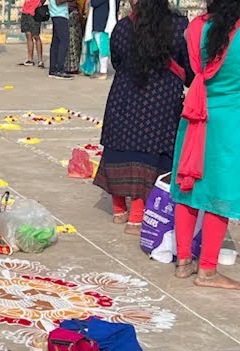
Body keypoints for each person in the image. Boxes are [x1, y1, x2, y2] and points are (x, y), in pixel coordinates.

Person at [170, 0, 240, 290]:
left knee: (189, 184)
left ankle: (183, 261)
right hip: (235, 120)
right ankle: (207, 270)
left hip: (197, 113)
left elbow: (193, 70)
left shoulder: (194, 28)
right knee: (222, 191)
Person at [93, 0, 189, 234]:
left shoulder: (124, 26)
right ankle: (137, 214)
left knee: (120, 147)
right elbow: (188, 64)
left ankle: (119, 209)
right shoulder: (179, 26)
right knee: (152, 153)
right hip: (161, 98)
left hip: (125, 95)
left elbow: (117, 60)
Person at [81, 0, 117, 77]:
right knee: (100, 47)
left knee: (102, 48)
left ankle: (103, 72)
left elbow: (94, 3)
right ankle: (101, 70)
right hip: (103, 23)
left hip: (101, 24)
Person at [19, 0, 46, 68]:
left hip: (35, 12)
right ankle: (30, 59)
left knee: (36, 36)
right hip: (25, 11)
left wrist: (40, 3)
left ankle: (40, 60)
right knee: (28, 35)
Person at [48, 0, 70, 77]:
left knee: (56, 43)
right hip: (60, 14)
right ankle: (59, 69)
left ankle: (53, 69)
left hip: (56, 14)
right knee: (64, 42)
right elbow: (59, 1)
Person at [65, 0, 86, 74]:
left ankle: (71, 66)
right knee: (74, 41)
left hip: (71, 14)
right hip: (73, 14)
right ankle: (73, 67)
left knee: (73, 40)